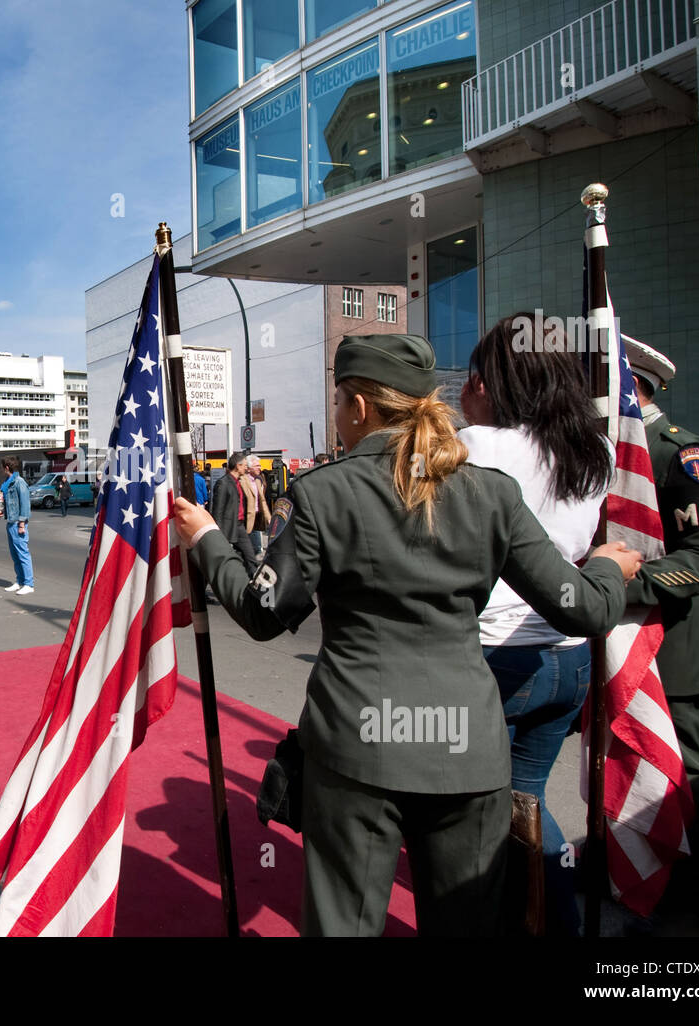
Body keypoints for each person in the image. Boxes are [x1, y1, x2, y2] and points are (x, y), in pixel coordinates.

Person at [172, 333, 642, 937]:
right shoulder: (493, 493)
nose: (338, 417)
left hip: (357, 751)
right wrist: (606, 562)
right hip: (467, 749)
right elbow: (587, 608)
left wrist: (209, 538)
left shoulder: (323, 492)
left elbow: (264, 612)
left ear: (361, 407)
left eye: (339, 401)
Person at [457, 313, 614, 935]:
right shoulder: (593, 447)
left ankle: (543, 916)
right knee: (524, 797)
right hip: (567, 651)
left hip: (497, 652)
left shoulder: (478, 446)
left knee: (481, 808)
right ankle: (541, 915)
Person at [620, 335, 699, 937]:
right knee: (622, 766)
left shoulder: (684, 454)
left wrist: (624, 586)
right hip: (614, 648)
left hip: (671, 649)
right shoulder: (606, 454)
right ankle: (630, 874)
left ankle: (692, 902)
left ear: (630, 384)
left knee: (684, 779)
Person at [209, 453, 255, 565]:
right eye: (244, 465)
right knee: (230, 559)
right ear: (237, 466)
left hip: (239, 525)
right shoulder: (223, 483)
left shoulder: (238, 482)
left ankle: (251, 577)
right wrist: (218, 534)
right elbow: (217, 511)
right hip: (228, 528)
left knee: (249, 556)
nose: (246, 467)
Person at [0, 456, 33, 595]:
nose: (1, 469)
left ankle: (29, 584)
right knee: (15, 555)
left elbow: (25, 504)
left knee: (23, 554)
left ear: (7, 467)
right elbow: (13, 503)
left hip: (18, 523)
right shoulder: (9, 482)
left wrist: (22, 524)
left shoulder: (19, 482)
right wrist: (3, 511)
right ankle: (20, 581)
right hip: (11, 522)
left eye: (2, 467)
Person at [244, 455, 271, 556]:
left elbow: (262, 500)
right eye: (256, 466)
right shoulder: (242, 480)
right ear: (249, 468)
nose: (259, 467)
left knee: (257, 549)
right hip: (246, 519)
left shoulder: (258, 480)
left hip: (257, 517)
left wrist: (268, 517)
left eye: (260, 465)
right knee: (246, 548)